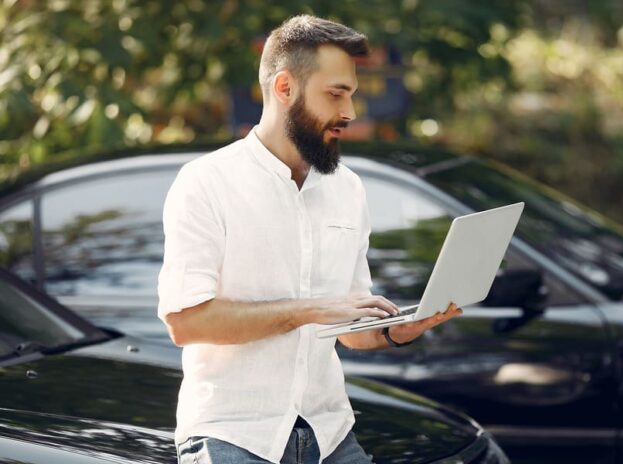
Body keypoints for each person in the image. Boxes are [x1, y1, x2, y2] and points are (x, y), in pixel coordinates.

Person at [157, 14, 462, 464]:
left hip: (329, 430)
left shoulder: (348, 188)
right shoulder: (205, 182)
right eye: (335, 94)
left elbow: (351, 329)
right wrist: (313, 309)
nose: (349, 113)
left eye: (351, 95)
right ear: (284, 88)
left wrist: (397, 332)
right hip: (233, 434)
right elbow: (186, 322)